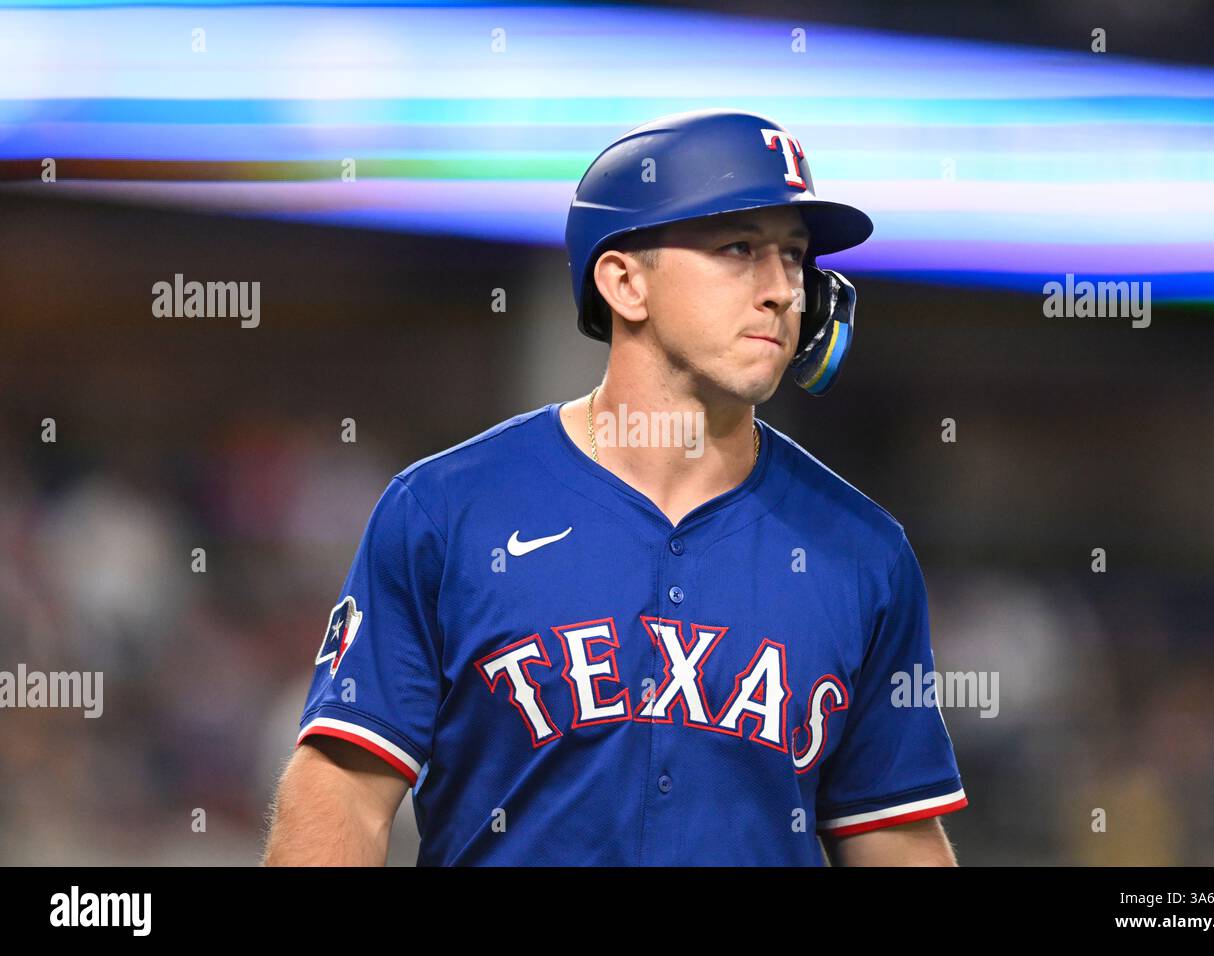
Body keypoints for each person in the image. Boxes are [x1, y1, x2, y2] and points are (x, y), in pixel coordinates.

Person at [263, 109, 967, 866]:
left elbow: (892, 829)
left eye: (794, 258)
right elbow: (342, 789)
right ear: (625, 282)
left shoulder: (861, 551)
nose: (782, 291)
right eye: (740, 249)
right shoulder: (446, 511)